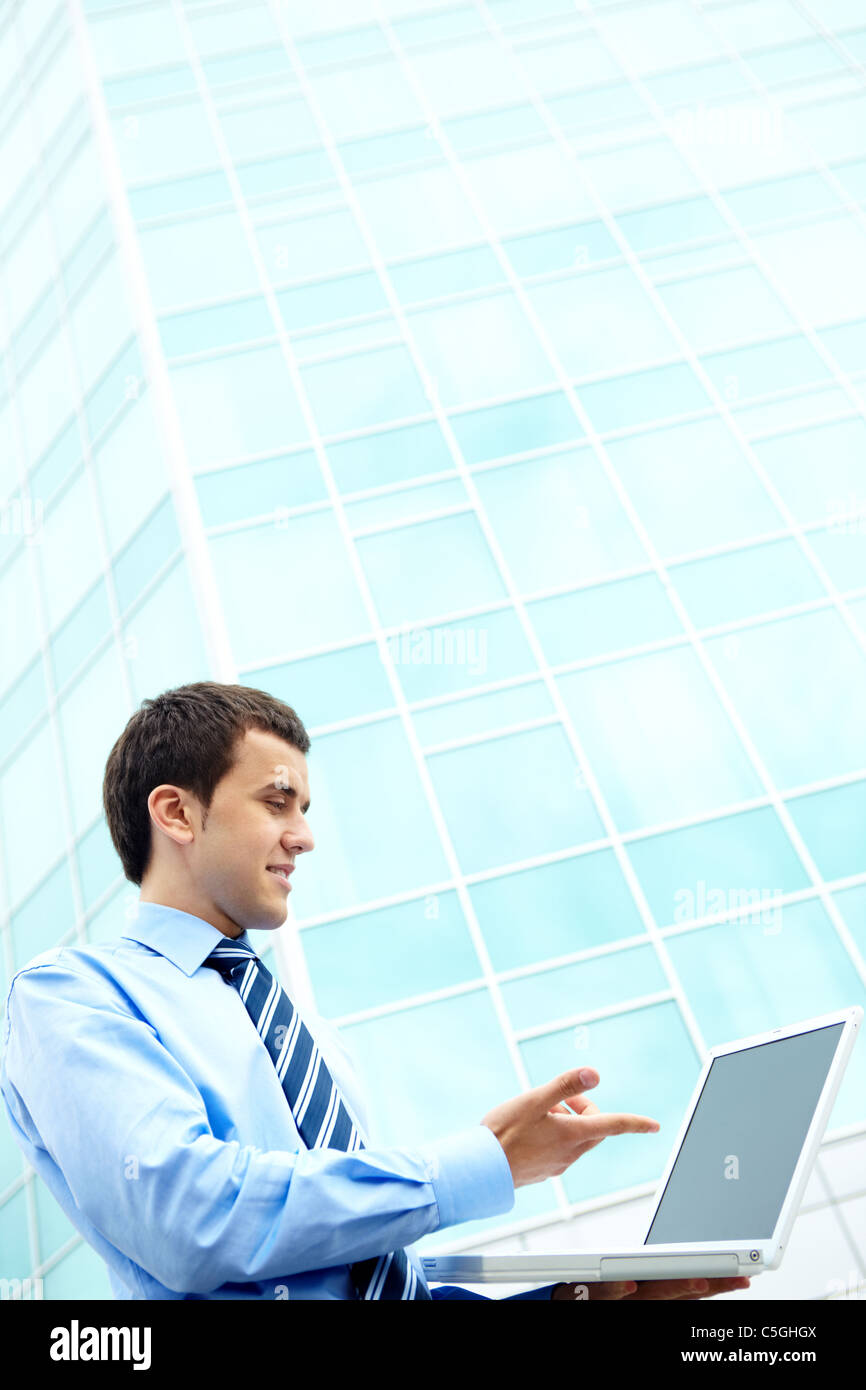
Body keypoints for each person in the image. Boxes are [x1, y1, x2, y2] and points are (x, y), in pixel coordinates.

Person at [0, 682, 749, 1303]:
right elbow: (192, 1221)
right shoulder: (71, 998)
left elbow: (381, 1289)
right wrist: (484, 1163)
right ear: (177, 813)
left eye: (304, 810)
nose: (304, 836)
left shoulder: (307, 1037)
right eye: (276, 802)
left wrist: (587, 1299)